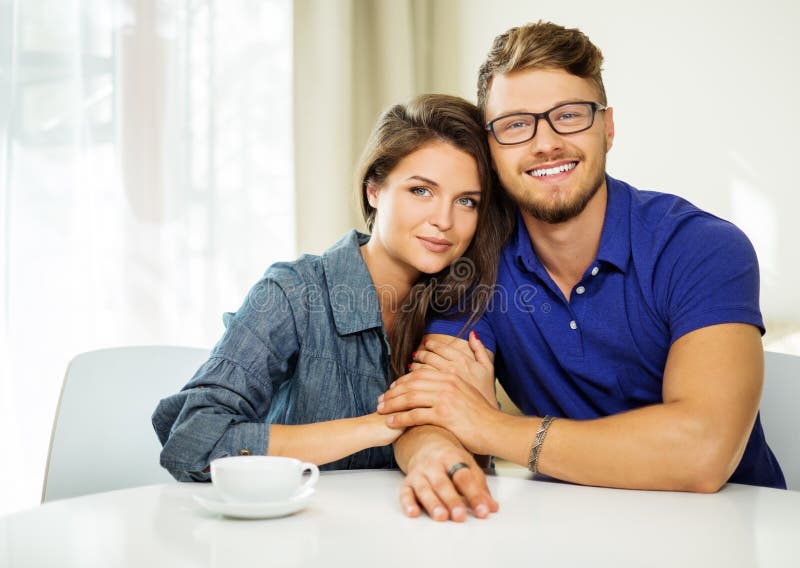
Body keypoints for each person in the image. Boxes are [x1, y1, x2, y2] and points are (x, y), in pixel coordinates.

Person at [376, 21, 786, 521]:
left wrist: (490, 428)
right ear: (491, 146)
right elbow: (430, 407)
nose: (545, 143)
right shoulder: (478, 261)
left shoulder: (701, 248)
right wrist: (436, 456)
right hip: (570, 528)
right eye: (515, 124)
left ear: (607, 127)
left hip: (729, 530)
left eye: (568, 115)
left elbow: (702, 454)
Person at [152, 94, 511, 481]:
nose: (444, 219)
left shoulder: (466, 309)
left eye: (467, 201)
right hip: (294, 533)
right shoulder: (291, 294)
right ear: (374, 189)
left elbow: (469, 476)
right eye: (421, 190)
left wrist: (484, 415)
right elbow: (191, 441)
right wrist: (380, 425)